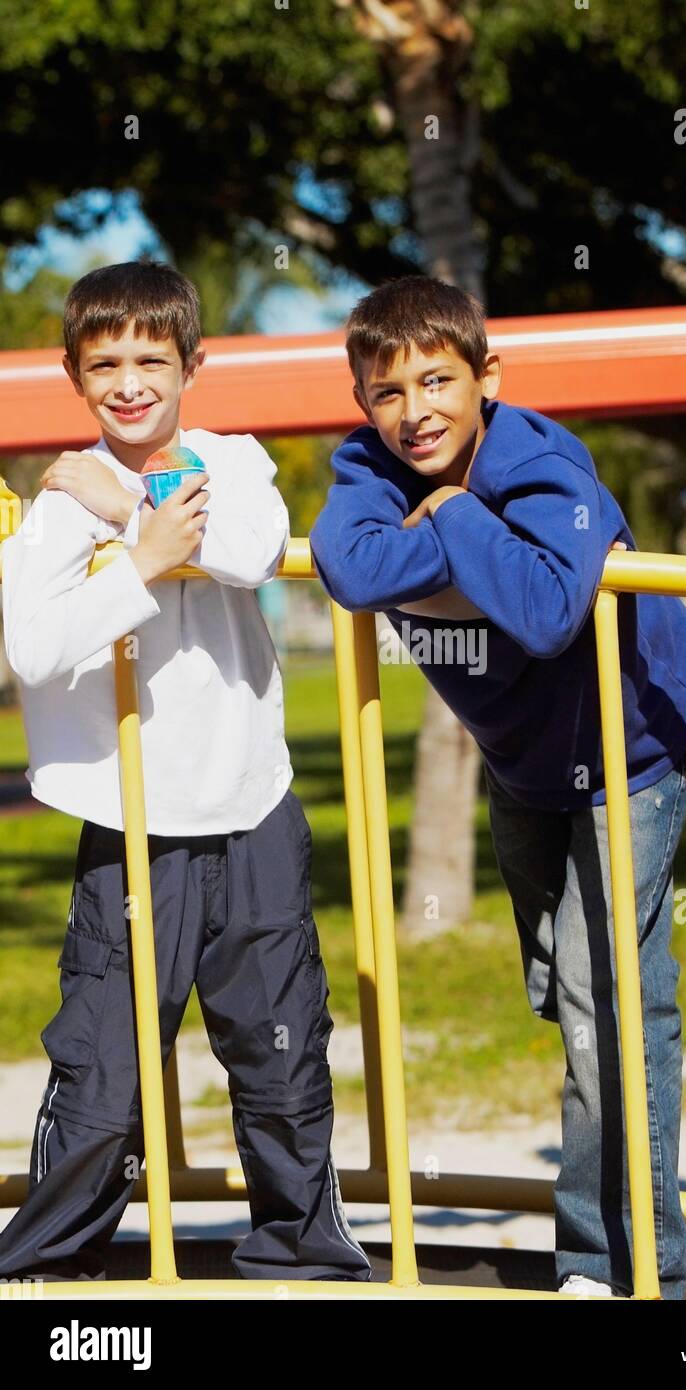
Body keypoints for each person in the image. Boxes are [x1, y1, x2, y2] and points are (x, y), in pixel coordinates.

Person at [309, 274, 686, 1299]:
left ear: (486, 377)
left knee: (606, 1005)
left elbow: (541, 611)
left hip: (632, 750)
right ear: (362, 402)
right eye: (387, 392)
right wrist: (449, 527)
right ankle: (605, 1106)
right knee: (557, 985)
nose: (415, 412)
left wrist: (447, 522)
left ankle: (621, 1262)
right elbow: (346, 568)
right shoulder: (369, 464)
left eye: (438, 381)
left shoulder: (539, 460)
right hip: (525, 758)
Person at [0, 260, 370, 1284]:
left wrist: (130, 508)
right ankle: (48, 1261)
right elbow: (31, 649)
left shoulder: (225, 456)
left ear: (192, 364)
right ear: (75, 375)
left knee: (278, 1045)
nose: (129, 381)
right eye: (105, 363)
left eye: (150, 360)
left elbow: (249, 549)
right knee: (107, 1068)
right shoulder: (59, 503)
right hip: (129, 822)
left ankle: (299, 1248)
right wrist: (140, 556)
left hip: (249, 805)